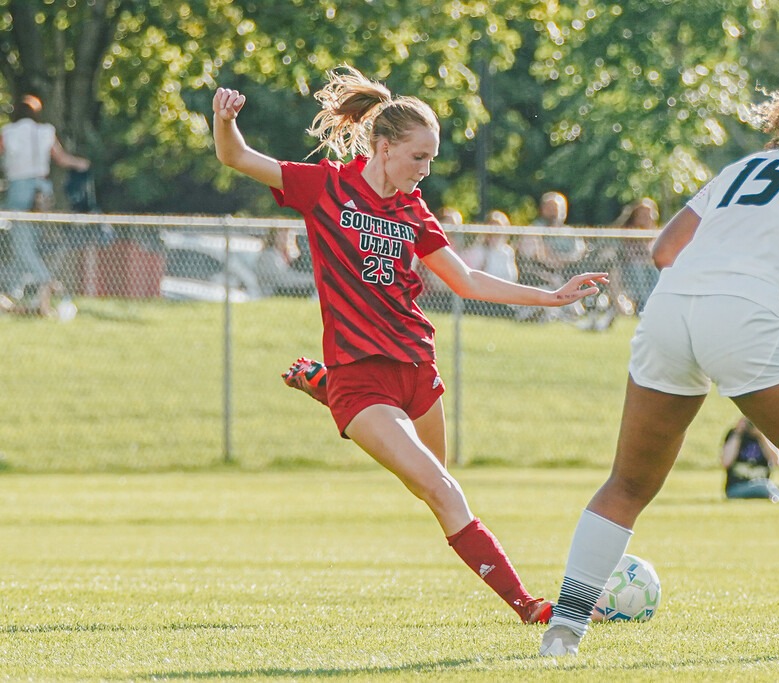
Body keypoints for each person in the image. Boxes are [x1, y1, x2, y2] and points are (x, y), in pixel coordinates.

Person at [540, 66, 779, 659]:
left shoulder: (739, 169)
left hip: (668, 312)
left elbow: (664, 251)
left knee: (629, 483)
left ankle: (563, 632)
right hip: (743, 315)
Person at [211, 66, 608, 625]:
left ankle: (320, 385)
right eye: (419, 157)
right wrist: (224, 122)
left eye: (431, 158)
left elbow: (467, 280)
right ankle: (531, 607)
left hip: (417, 367)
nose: (426, 171)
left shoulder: (412, 211)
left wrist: (550, 295)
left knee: (437, 484)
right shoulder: (326, 186)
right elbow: (237, 158)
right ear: (382, 146)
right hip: (361, 376)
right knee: (443, 491)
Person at [0, 95, 90, 297]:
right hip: (42, 189)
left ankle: (46, 281)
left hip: (19, 186)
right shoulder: (45, 132)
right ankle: (13, 290)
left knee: (21, 242)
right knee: (27, 241)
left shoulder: (8, 132)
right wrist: (81, 163)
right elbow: (61, 158)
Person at [615, 197, 661, 315]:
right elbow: (630, 255)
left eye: (649, 214)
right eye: (642, 214)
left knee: (655, 270)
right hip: (630, 268)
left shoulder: (657, 234)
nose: (646, 217)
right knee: (638, 269)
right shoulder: (629, 233)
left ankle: (655, 304)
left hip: (651, 266)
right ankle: (643, 305)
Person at [255, 227, 317, 298]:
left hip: (291, 289)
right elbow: (283, 279)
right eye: (282, 235)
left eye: (290, 235)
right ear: (274, 237)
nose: (287, 237)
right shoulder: (268, 256)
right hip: (273, 292)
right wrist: (311, 280)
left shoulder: (292, 256)